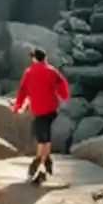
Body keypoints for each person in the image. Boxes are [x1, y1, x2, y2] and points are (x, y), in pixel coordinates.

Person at [12, 47, 69, 183]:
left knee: (41, 135)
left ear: (34, 58)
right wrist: (64, 96)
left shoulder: (29, 72)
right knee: (44, 133)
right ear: (45, 58)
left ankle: (39, 160)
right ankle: (46, 159)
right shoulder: (51, 71)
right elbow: (62, 84)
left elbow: (22, 90)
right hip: (51, 109)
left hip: (38, 109)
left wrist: (18, 106)